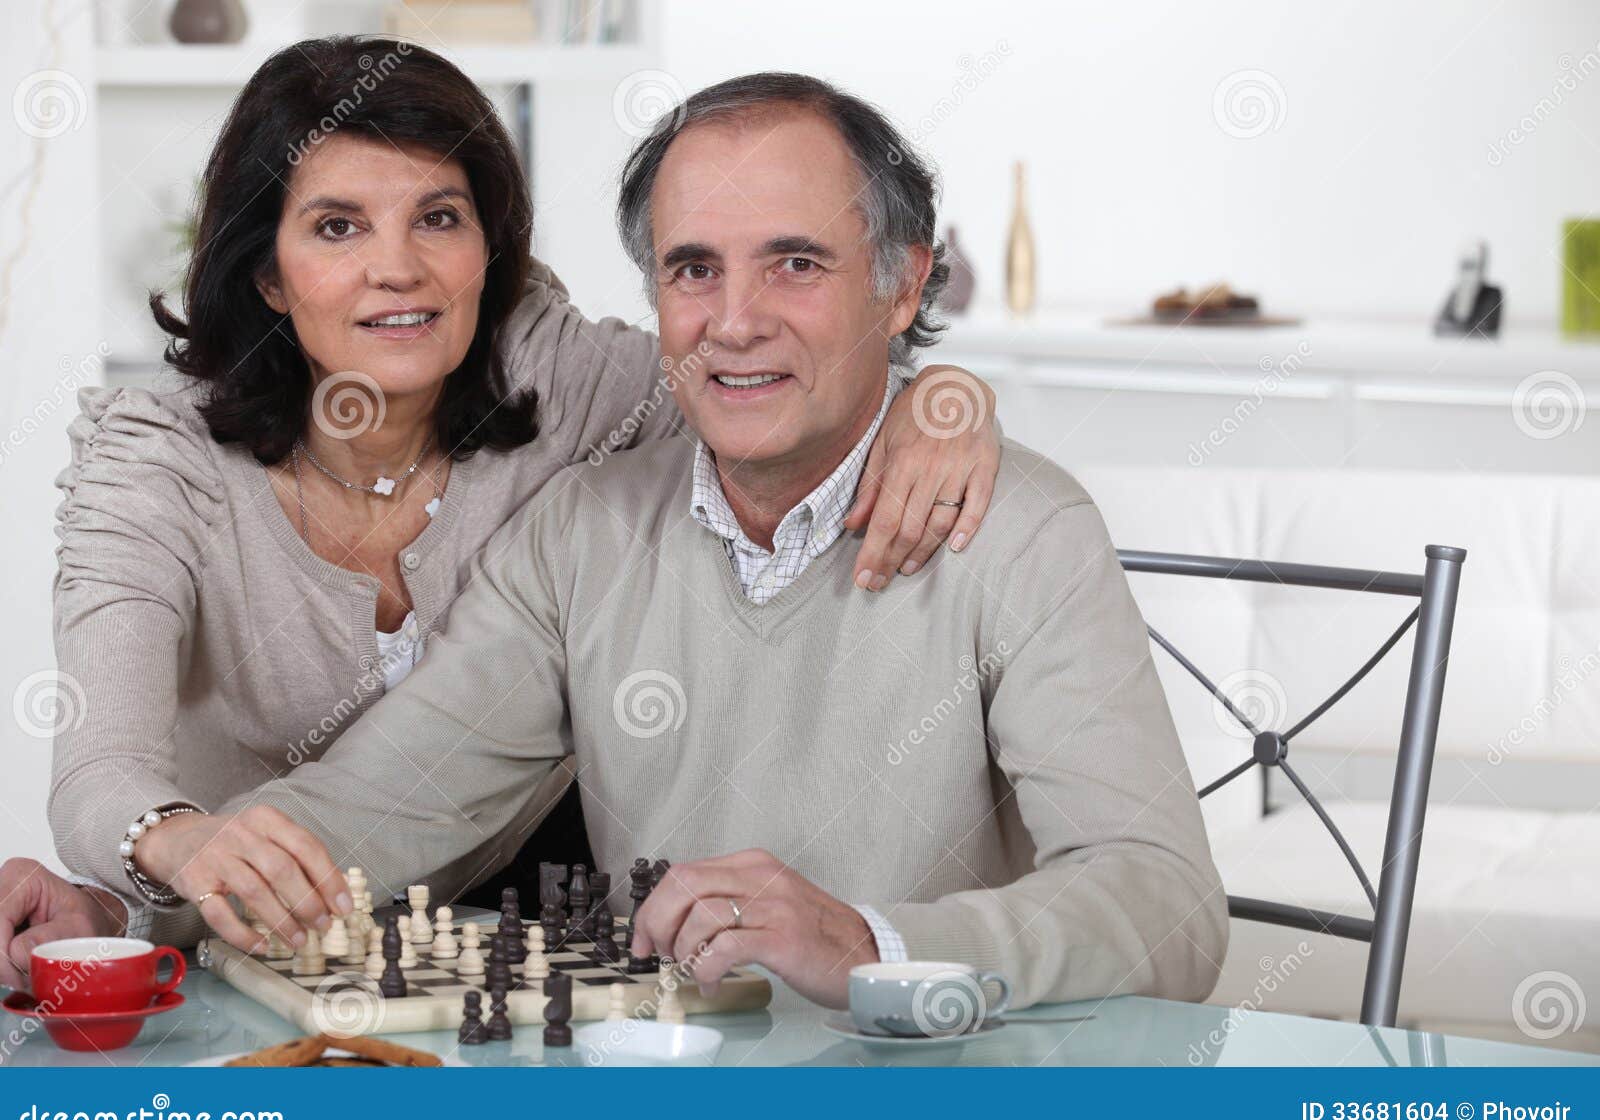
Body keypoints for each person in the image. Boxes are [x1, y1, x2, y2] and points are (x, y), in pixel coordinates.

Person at [112, 72, 1228, 1011]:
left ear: (901, 284)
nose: (733, 321)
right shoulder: (579, 532)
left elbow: (1165, 904)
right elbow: (380, 803)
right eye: (694, 268)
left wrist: (868, 942)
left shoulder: (1022, 531)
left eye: (796, 262)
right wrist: (125, 901)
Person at [0, 43, 1005, 991]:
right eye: (338, 227)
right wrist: (166, 857)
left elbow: (776, 381)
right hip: (256, 919)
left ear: (489, 245)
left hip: (529, 912)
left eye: (438, 217)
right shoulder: (155, 458)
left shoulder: (561, 380)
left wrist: (940, 396)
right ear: (268, 272)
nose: (398, 268)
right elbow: (101, 768)